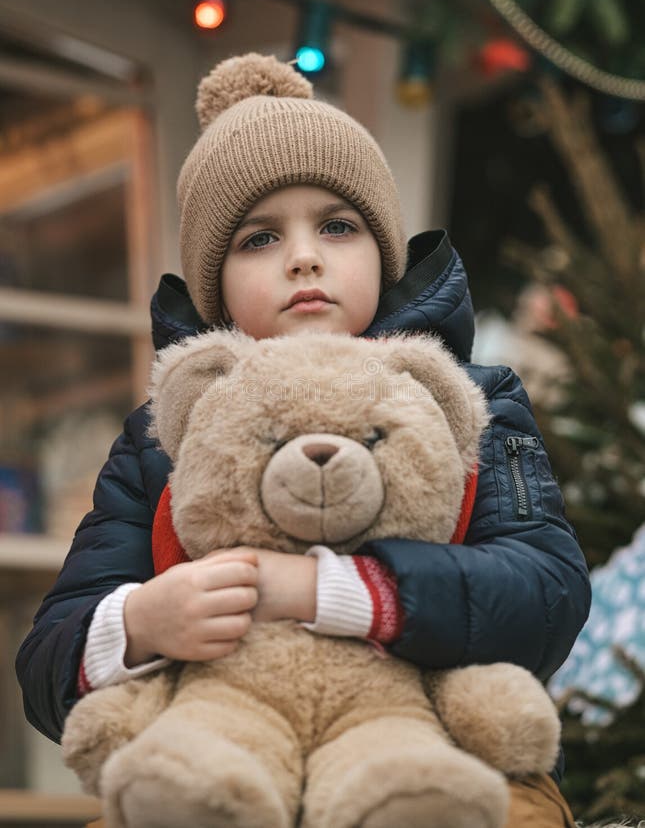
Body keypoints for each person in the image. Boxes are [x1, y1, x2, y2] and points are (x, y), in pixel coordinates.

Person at [16, 53, 589, 826]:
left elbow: (546, 594)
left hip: (443, 763)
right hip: (226, 762)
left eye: (338, 226)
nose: (304, 256)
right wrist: (139, 624)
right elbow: (47, 664)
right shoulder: (160, 439)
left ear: (382, 251)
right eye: (258, 238)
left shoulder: (472, 401)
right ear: (215, 285)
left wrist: (334, 592)